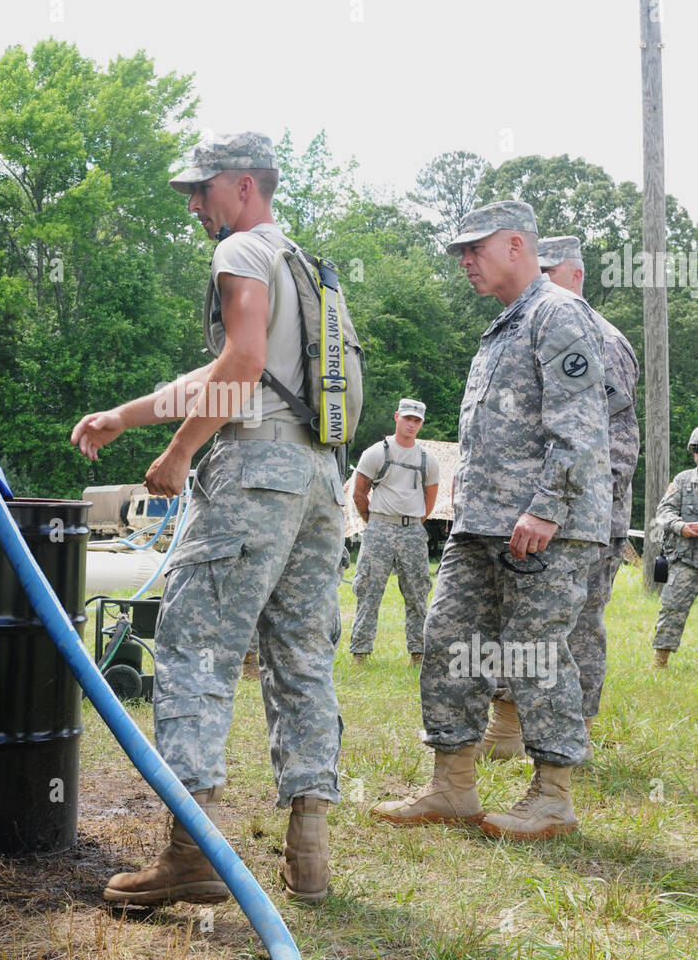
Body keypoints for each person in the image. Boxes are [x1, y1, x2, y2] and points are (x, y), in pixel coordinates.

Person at [71, 132, 348, 904]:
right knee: (301, 655)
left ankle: (192, 857)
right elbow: (228, 365)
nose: (193, 205)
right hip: (318, 479)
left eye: (202, 190)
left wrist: (181, 451)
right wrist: (125, 416)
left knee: (193, 648)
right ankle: (311, 849)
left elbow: (243, 364)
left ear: (243, 187)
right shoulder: (303, 264)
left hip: (254, 475)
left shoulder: (239, 256)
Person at [372, 201, 611, 840]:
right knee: (447, 641)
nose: (464, 263)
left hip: (542, 528)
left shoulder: (557, 315)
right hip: (479, 525)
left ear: (514, 244)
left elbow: (581, 430)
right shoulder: (506, 324)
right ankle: (451, 785)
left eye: (473, 250)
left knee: (534, 654)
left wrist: (546, 508)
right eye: (460, 253)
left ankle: (552, 797)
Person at [482, 235, 640, 754]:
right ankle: (507, 729)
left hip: (590, 513)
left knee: (579, 626)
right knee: (528, 623)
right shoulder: (536, 324)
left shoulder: (602, 338)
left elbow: (610, 441)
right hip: (543, 507)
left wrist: (588, 509)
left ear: (575, 274)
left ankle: (578, 736)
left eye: (551, 271)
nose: (540, 279)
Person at [349, 398, 440, 665]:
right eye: (407, 418)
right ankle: (360, 653)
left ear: (421, 424)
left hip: (412, 530)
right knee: (368, 590)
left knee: (417, 592)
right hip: (379, 527)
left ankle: (418, 654)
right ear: (396, 417)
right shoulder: (376, 452)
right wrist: (374, 521)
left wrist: (414, 522)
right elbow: (359, 493)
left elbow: (430, 498)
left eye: (417, 420)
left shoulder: (427, 459)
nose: (411, 424)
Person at [652, 427, 698, 666]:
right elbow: (663, 512)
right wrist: (681, 526)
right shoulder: (683, 480)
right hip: (686, 560)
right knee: (672, 608)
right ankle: (661, 661)